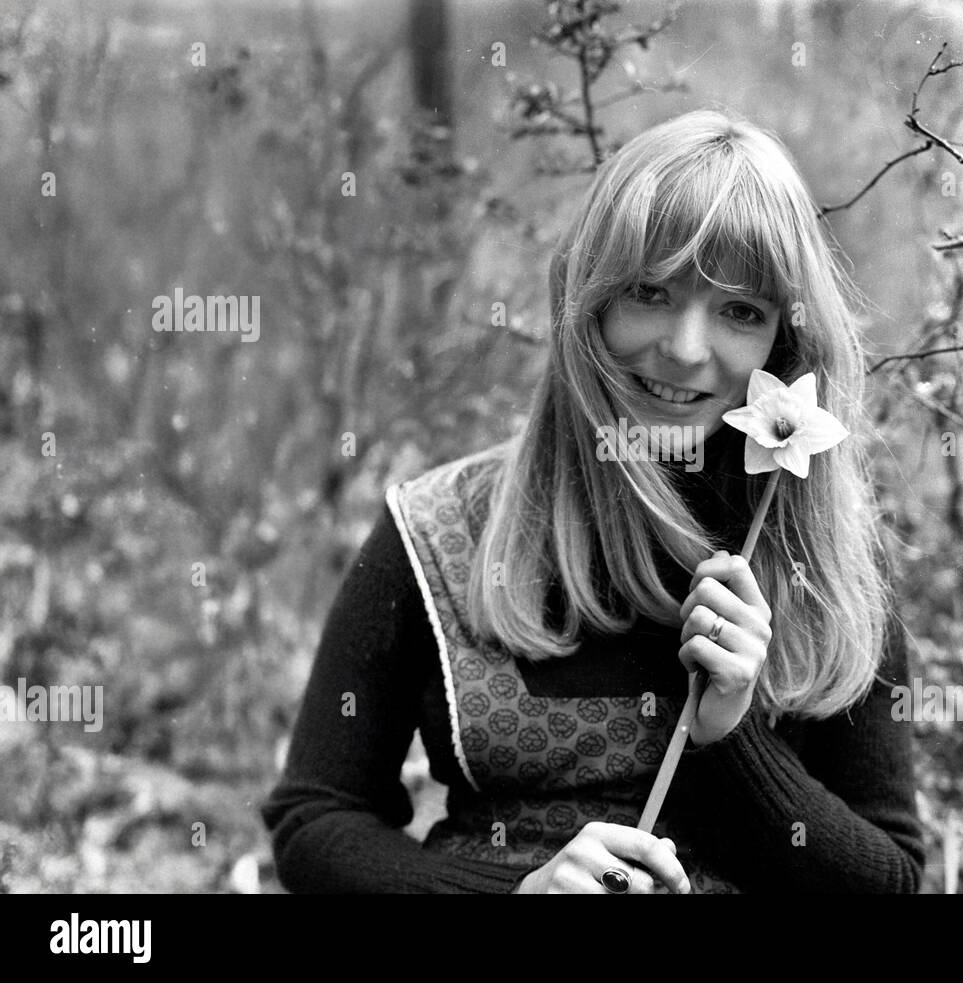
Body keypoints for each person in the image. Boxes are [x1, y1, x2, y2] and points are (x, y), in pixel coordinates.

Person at [262, 109, 925, 894]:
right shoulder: (438, 527)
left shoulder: (816, 548)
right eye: (650, 292)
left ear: (784, 340)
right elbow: (316, 821)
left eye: (739, 310)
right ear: (590, 298)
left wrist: (729, 736)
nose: (684, 348)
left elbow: (891, 883)